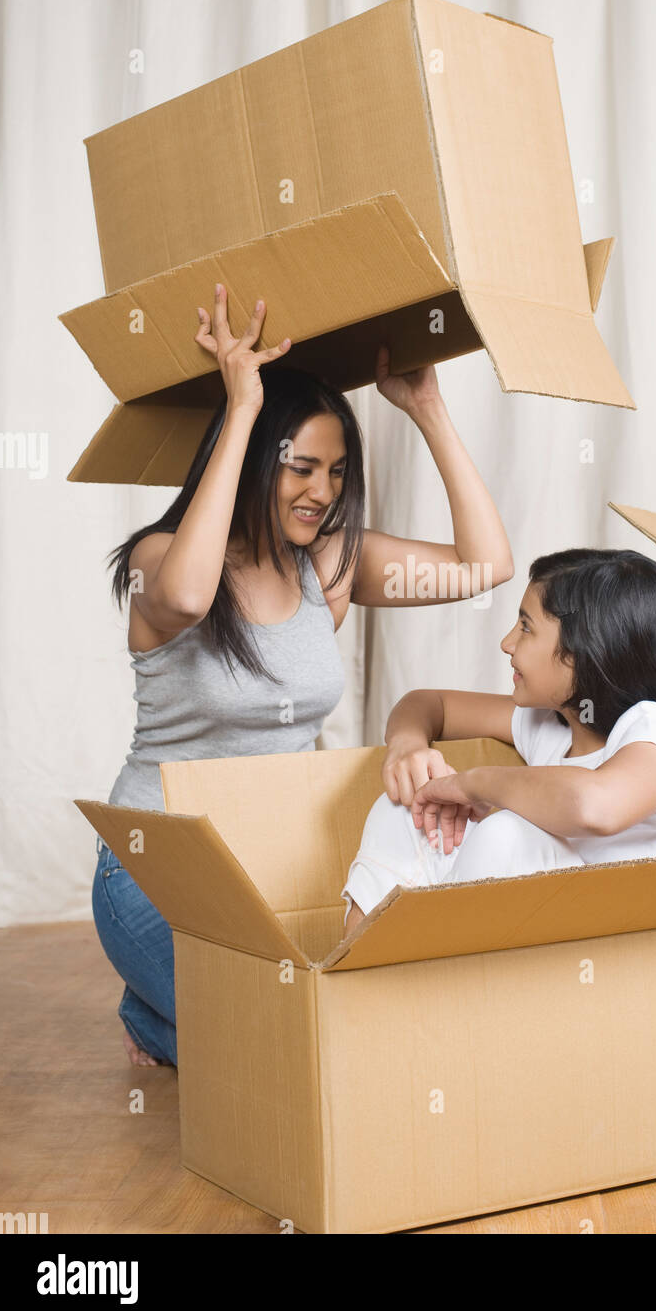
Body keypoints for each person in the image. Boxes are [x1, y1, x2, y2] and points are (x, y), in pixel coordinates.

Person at [92, 284, 513, 1067]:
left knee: (338, 1033)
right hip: (155, 872)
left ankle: (165, 1019)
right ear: (254, 459)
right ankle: (161, 1013)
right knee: (295, 1052)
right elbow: (188, 595)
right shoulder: (162, 562)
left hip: (269, 865)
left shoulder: (325, 569)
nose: (323, 492)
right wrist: (244, 404)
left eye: (338, 472)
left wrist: (425, 408)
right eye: (301, 469)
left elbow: (484, 564)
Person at [342, 547, 656, 933]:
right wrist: (408, 745)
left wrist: (472, 784)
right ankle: (367, 976)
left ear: (587, 652)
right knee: (406, 809)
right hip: (558, 939)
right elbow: (429, 703)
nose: (507, 643)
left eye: (526, 628)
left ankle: (438, 981)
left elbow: (593, 807)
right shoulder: (550, 726)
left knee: (507, 834)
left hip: (639, 954)